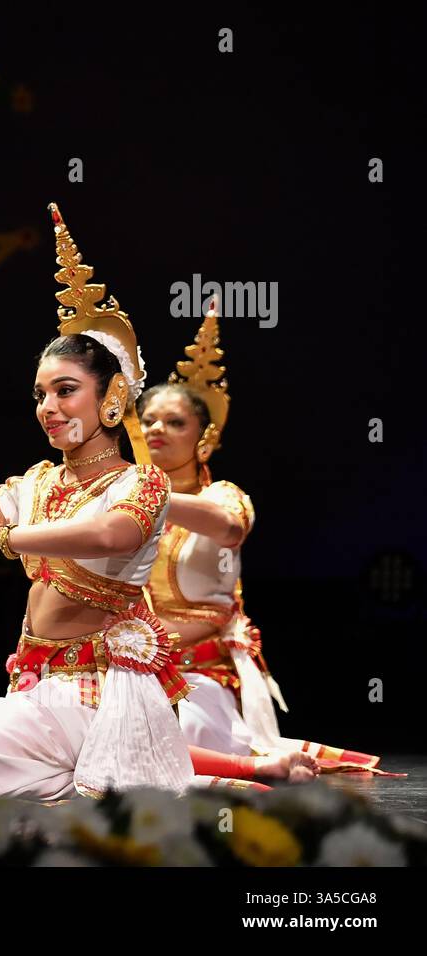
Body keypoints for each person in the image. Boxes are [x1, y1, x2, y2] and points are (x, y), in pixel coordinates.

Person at [0, 204, 315, 802]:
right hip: (39, 676)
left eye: (65, 391)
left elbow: (110, 537)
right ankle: (202, 776)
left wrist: (1, 537)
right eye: (41, 394)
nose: (48, 407)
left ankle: (204, 772)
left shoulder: (140, 485)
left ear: (111, 397)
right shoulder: (39, 483)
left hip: (102, 679)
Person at [139, 304, 385, 774]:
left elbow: (229, 528)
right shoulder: (124, 501)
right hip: (134, 667)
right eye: (149, 419)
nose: (157, 429)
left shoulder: (222, 496)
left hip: (200, 673)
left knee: (173, 731)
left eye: (175, 422)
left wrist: (149, 497)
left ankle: (253, 767)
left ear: (203, 439)